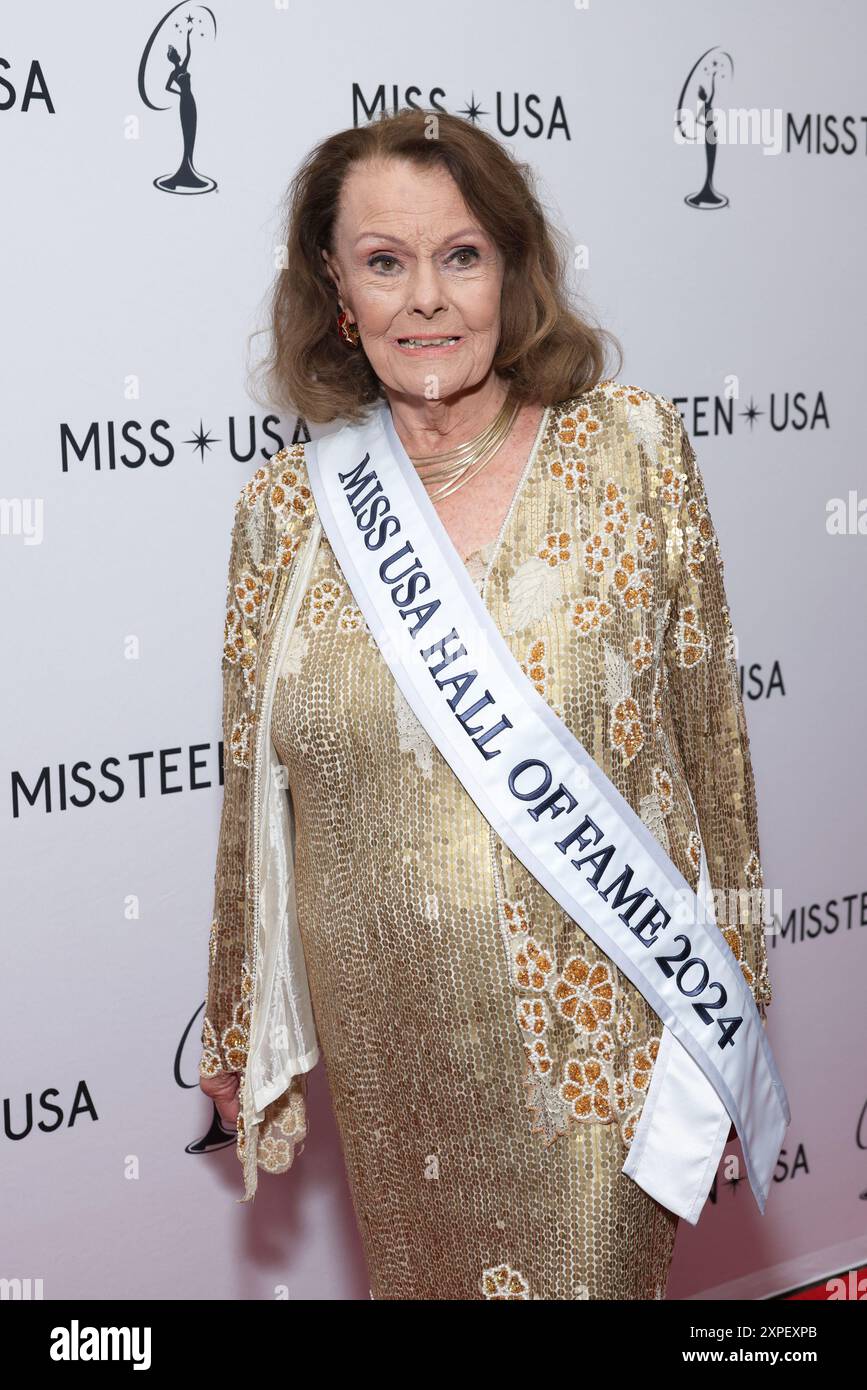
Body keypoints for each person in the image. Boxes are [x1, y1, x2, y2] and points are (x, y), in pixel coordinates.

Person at [198, 108, 777, 1300]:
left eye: (460, 255)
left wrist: (736, 1013)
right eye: (384, 260)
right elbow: (251, 799)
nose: (426, 299)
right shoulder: (284, 510)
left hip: (597, 1042)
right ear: (333, 284)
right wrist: (235, 1009)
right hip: (391, 1049)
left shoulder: (628, 448)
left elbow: (716, 750)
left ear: (512, 268)